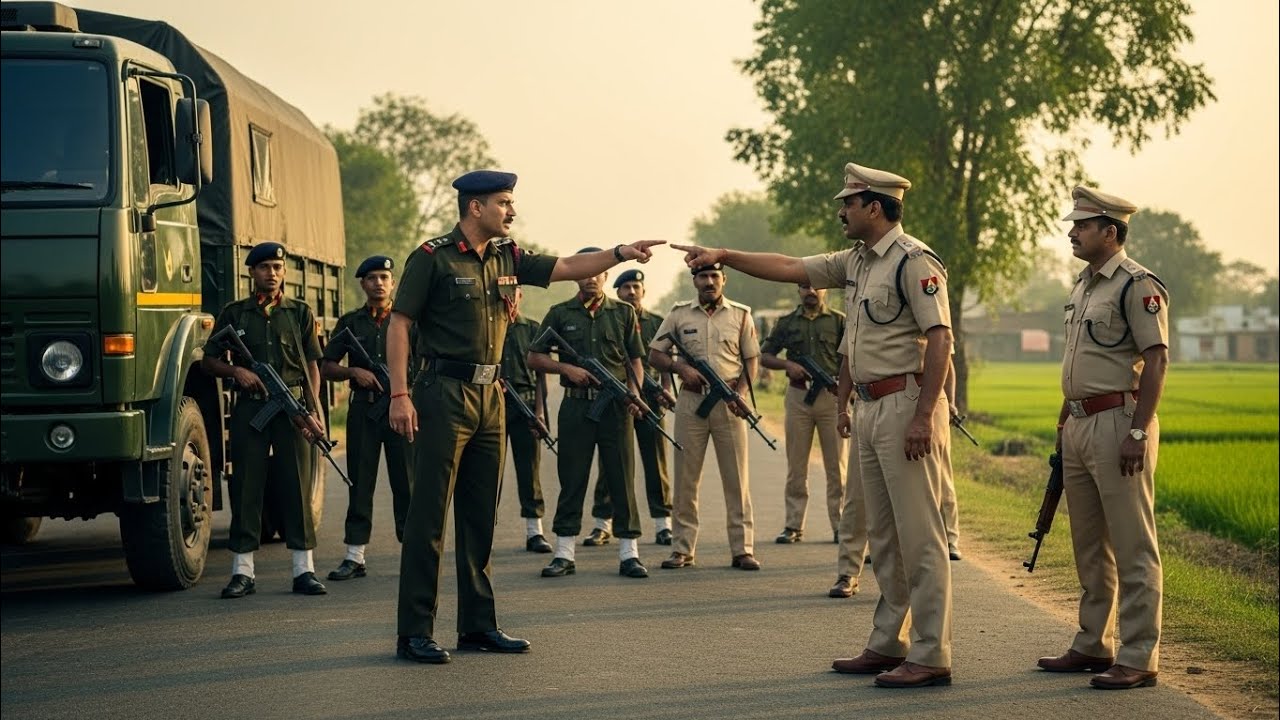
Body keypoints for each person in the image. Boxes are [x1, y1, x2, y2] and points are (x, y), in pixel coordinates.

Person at [671, 162, 955, 688]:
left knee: (920, 534)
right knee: (885, 536)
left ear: (875, 206)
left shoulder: (915, 262)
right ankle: (888, 641)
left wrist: (923, 415)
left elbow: (940, 338)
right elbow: (786, 266)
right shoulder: (857, 262)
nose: (840, 210)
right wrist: (725, 255)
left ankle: (932, 652)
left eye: (848, 202)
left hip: (905, 404)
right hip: (871, 408)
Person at [386, 169, 663, 665]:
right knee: (429, 517)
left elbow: (568, 266)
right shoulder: (433, 257)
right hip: (441, 392)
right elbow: (400, 322)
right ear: (476, 207)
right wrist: (400, 393)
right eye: (504, 202)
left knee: (480, 517)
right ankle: (414, 632)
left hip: (492, 394)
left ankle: (477, 625)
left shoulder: (509, 257)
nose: (512, 212)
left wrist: (621, 252)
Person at [1036, 186, 1169, 690]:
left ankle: (1139, 655)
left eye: (1082, 225)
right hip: (1078, 424)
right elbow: (1078, 363)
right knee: (1089, 543)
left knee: (1133, 543)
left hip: (1119, 423)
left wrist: (1138, 429)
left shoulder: (1137, 285)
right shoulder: (1082, 286)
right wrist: (1064, 419)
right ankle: (1094, 642)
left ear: (1109, 232)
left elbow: (1156, 359)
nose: (1072, 232)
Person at [201, 242, 328, 599]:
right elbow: (208, 361)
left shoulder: (299, 313)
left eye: (277, 267)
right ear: (251, 273)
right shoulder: (235, 313)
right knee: (246, 486)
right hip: (251, 410)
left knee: (297, 486)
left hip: (290, 410)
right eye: (264, 268)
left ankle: (304, 570)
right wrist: (236, 371)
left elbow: (312, 366)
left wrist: (311, 411)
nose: (271, 274)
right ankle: (243, 571)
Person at [528, 250, 650, 579]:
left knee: (622, 477)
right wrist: (565, 367)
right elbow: (534, 358)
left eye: (598, 273)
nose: (591, 278)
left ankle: (629, 553)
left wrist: (634, 394)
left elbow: (635, 359)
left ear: (606, 276)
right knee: (573, 476)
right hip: (576, 405)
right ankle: (564, 553)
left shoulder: (623, 313)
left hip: (615, 406)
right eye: (585, 273)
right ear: (576, 276)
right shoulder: (558, 313)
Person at [648, 263, 762, 572]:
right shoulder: (678, 314)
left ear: (724, 279)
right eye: (703, 277)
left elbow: (751, 359)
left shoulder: (741, 314)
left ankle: (742, 549)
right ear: (694, 281)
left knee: (737, 479)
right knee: (686, 477)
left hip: (728, 403)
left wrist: (739, 392)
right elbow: (655, 354)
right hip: (691, 402)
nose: (709, 282)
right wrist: (679, 368)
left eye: (714, 276)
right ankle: (682, 549)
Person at [320, 255, 414, 582]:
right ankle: (354, 555)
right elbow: (327, 366)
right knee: (360, 483)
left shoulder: (406, 321)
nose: (379, 283)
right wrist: (352, 371)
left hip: (401, 409)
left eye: (385, 277)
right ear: (362, 283)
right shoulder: (350, 323)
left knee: (407, 482)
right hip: (365, 411)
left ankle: (413, 555)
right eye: (372, 277)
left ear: (393, 282)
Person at [585, 269, 675, 546]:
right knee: (610, 464)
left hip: (649, 400)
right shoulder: (611, 319)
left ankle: (663, 524)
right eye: (626, 288)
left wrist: (666, 391)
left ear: (644, 291)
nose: (631, 292)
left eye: (636, 286)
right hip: (618, 399)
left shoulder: (658, 323)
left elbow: (665, 364)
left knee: (655, 461)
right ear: (618, 292)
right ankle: (603, 524)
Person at [760, 283, 847, 546]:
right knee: (797, 465)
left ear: (825, 291)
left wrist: (846, 393)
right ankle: (793, 525)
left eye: (816, 287)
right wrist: (788, 364)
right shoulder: (786, 322)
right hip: (799, 397)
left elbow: (850, 359)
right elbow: (764, 356)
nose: (811, 291)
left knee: (837, 466)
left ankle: (841, 526)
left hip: (832, 397)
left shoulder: (839, 321)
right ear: (798, 290)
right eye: (805, 287)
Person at [500, 286, 553, 554]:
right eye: (504, 292)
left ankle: (535, 532)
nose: (509, 297)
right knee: (488, 472)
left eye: (514, 292)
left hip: (526, 405)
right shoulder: (488, 329)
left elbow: (542, 374)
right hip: (493, 406)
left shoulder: (533, 329)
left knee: (529, 470)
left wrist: (540, 412)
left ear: (520, 296)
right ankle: (481, 534)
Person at [830, 343, 869, 599]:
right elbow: (848, 359)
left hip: (903, 401)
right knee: (856, 499)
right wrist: (842, 408)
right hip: (865, 405)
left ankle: (905, 582)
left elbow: (942, 345)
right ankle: (848, 572)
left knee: (904, 504)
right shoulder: (854, 302)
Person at [940, 357, 962, 561]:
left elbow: (947, 364)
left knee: (942, 477)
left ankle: (950, 539)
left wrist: (950, 403)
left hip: (934, 405)